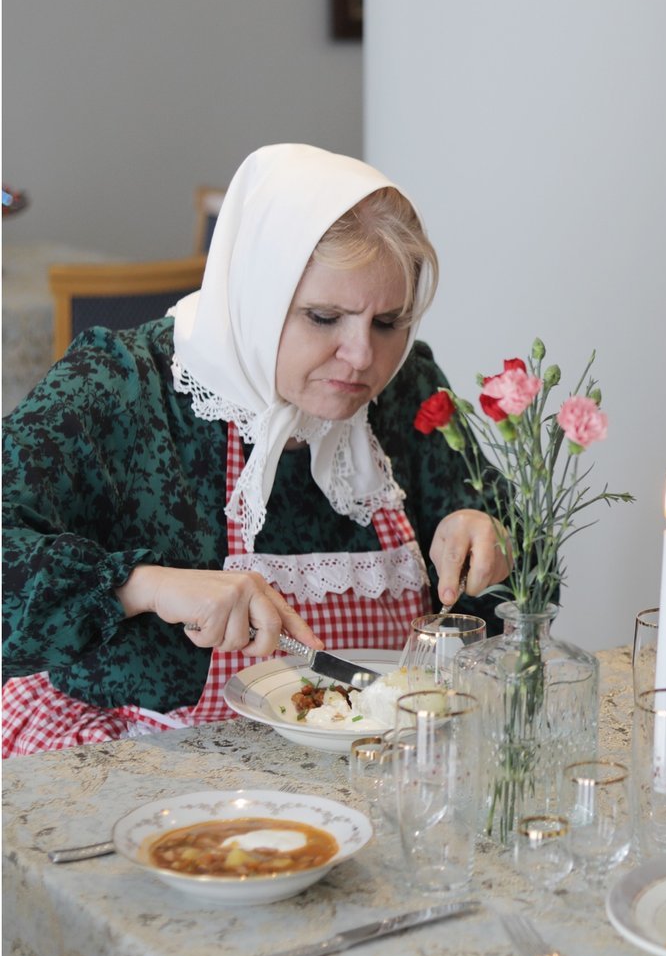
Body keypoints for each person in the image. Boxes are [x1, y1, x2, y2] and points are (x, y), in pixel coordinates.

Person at [2, 143, 509, 756]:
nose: (363, 357)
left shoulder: (406, 393)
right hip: (140, 766)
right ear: (253, 295)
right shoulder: (121, 387)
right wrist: (146, 586)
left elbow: (519, 594)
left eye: (388, 322)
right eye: (324, 317)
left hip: (367, 767)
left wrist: (487, 534)